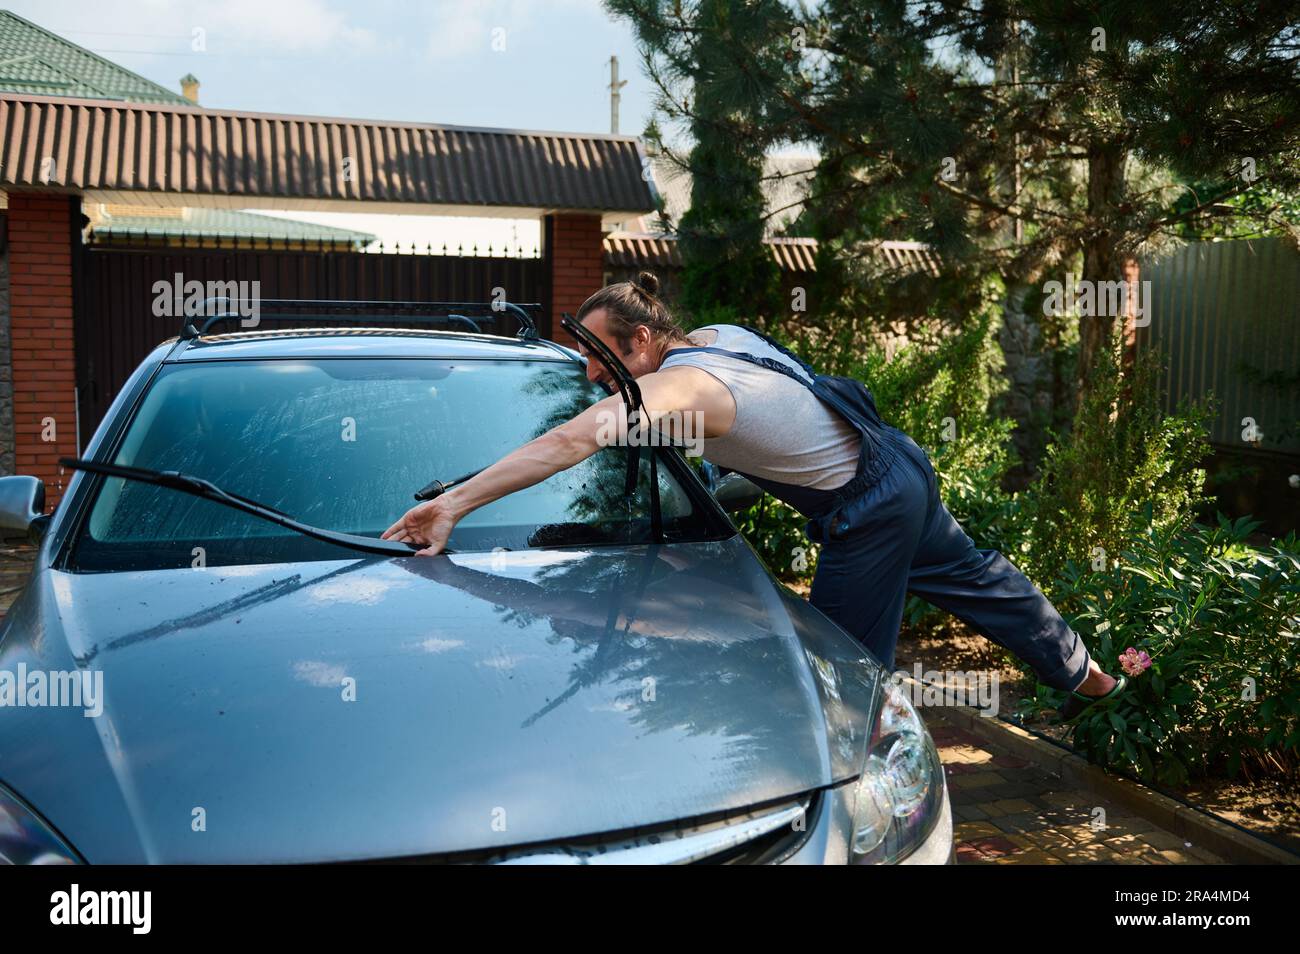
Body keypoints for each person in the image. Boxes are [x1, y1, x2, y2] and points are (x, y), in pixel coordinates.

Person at [383, 272, 1127, 720]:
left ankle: (857, 803)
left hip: (865, 508)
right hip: (895, 458)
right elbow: (781, 417)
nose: (588, 372)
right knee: (975, 576)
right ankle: (1086, 673)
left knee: (839, 676)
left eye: (599, 353)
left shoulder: (678, 385)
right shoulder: (718, 336)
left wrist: (453, 503)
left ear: (641, 341)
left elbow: (570, 441)